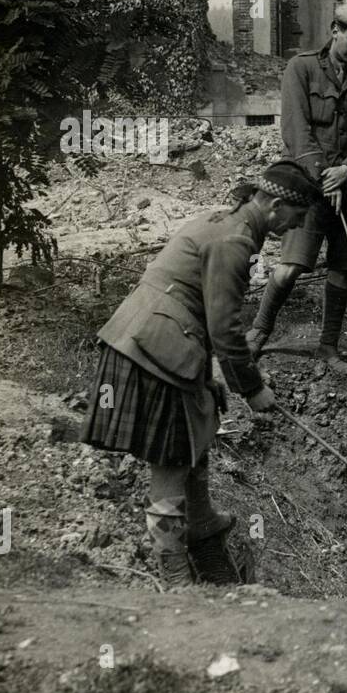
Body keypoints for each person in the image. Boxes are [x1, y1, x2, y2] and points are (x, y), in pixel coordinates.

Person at [81, 161, 318, 586]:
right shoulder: (233, 241)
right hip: (153, 346)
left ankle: (204, 521)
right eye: (297, 217)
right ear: (277, 207)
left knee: (199, 419)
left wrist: (211, 379)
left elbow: (207, 312)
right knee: (170, 459)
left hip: (156, 335)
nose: (297, 225)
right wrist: (253, 389)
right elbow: (225, 329)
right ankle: (175, 574)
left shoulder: (222, 220)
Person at [246, 2, 347, 373]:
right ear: (334, 29)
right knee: (290, 268)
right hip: (308, 190)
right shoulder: (301, 68)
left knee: (343, 269)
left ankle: (328, 346)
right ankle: (259, 332)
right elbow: (296, 130)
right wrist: (327, 176)